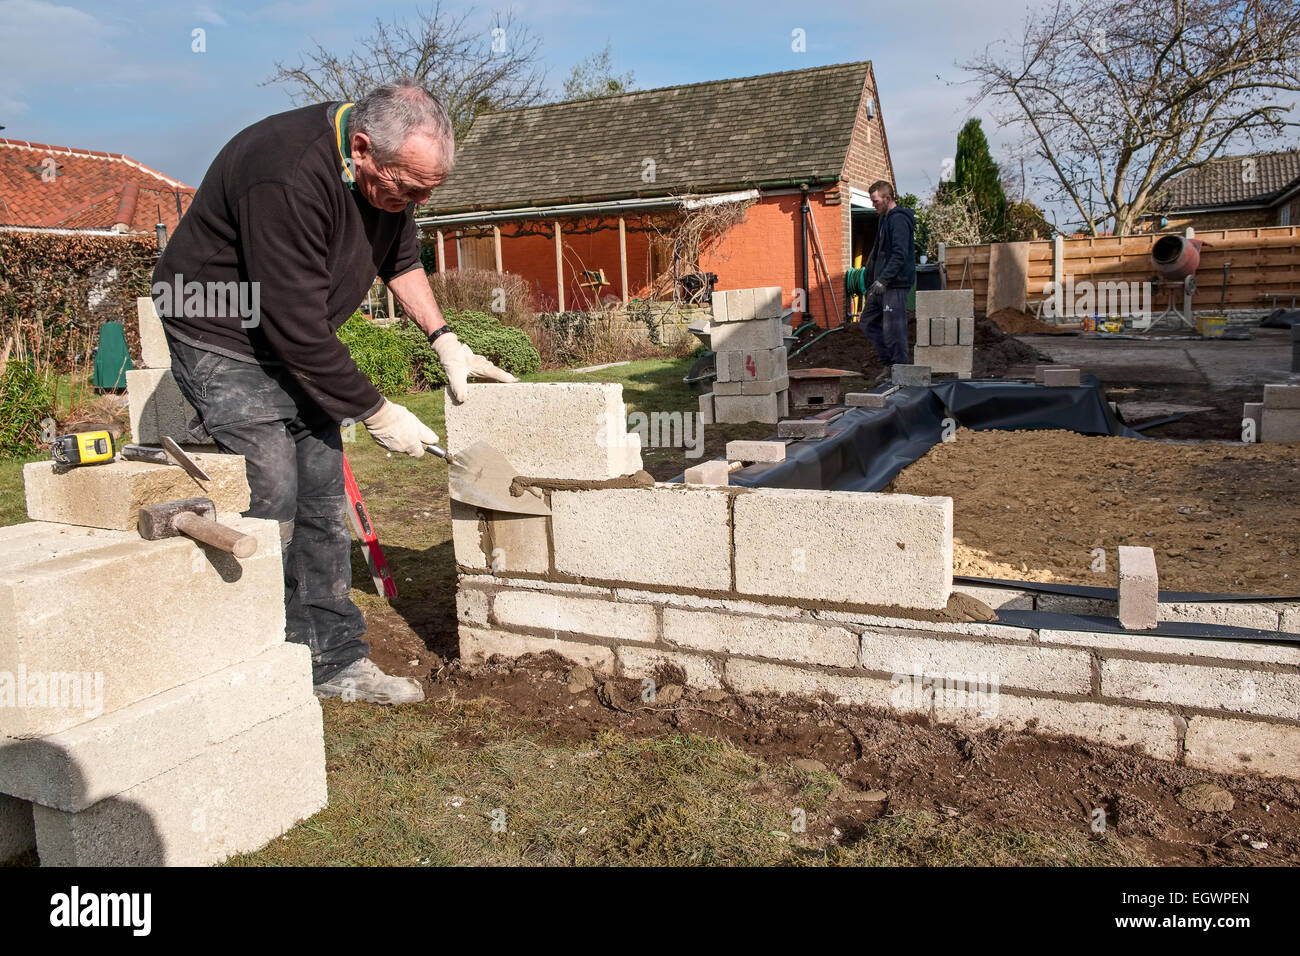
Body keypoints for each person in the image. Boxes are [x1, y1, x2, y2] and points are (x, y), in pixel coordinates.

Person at [152, 81, 517, 704]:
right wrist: (378, 411)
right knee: (270, 486)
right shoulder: (285, 173)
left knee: (322, 496)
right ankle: (260, 649)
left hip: (294, 327)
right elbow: (293, 326)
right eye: (409, 187)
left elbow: (399, 263)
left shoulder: (392, 178)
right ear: (363, 147)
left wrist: (445, 339)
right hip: (219, 328)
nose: (417, 200)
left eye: (430, 190)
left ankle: (333, 662)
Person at [856, 180, 916, 381]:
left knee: (894, 328)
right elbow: (878, 252)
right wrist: (870, 277)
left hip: (894, 283)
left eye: (876, 201)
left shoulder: (899, 220)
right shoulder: (884, 219)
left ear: (887, 198)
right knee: (867, 321)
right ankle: (889, 363)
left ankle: (901, 371)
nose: (873, 205)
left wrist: (883, 280)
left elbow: (899, 254)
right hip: (880, 284)